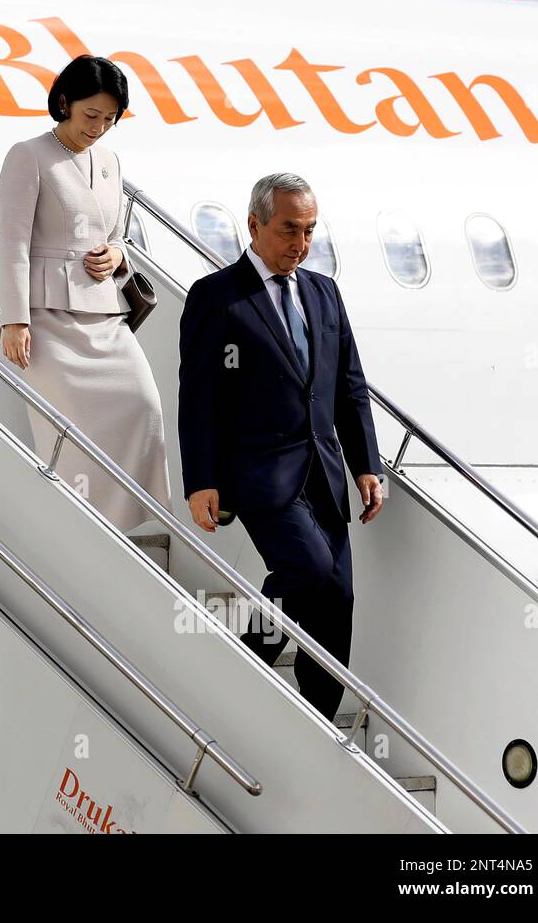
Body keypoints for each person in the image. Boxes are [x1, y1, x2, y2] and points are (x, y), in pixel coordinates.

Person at [178, 172, 385, 722]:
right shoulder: (217, 297)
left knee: (337, 600)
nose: (301, 243)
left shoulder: (323, 292)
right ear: (254, 225)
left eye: (310, 230)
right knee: (310, 572)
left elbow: (349, 383)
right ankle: (249, 655)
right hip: (261, 476)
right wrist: (201, 479)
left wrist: (367, 464)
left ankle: (319, 718)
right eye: (289, 229)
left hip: (326, 471)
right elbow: (197, 398)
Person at [0, 55, 170, 530]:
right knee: (71, 432)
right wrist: (16, 320)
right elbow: (11, 242)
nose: (99, 128)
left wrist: (118, 256)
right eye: (91, 116)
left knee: (145, 406)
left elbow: (114, 233)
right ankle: (80, 528)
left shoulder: (111, 161)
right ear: (64, 103)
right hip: (47, 318)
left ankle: (132, 524)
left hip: (105, 314)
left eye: (110, 119)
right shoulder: (28, 154)